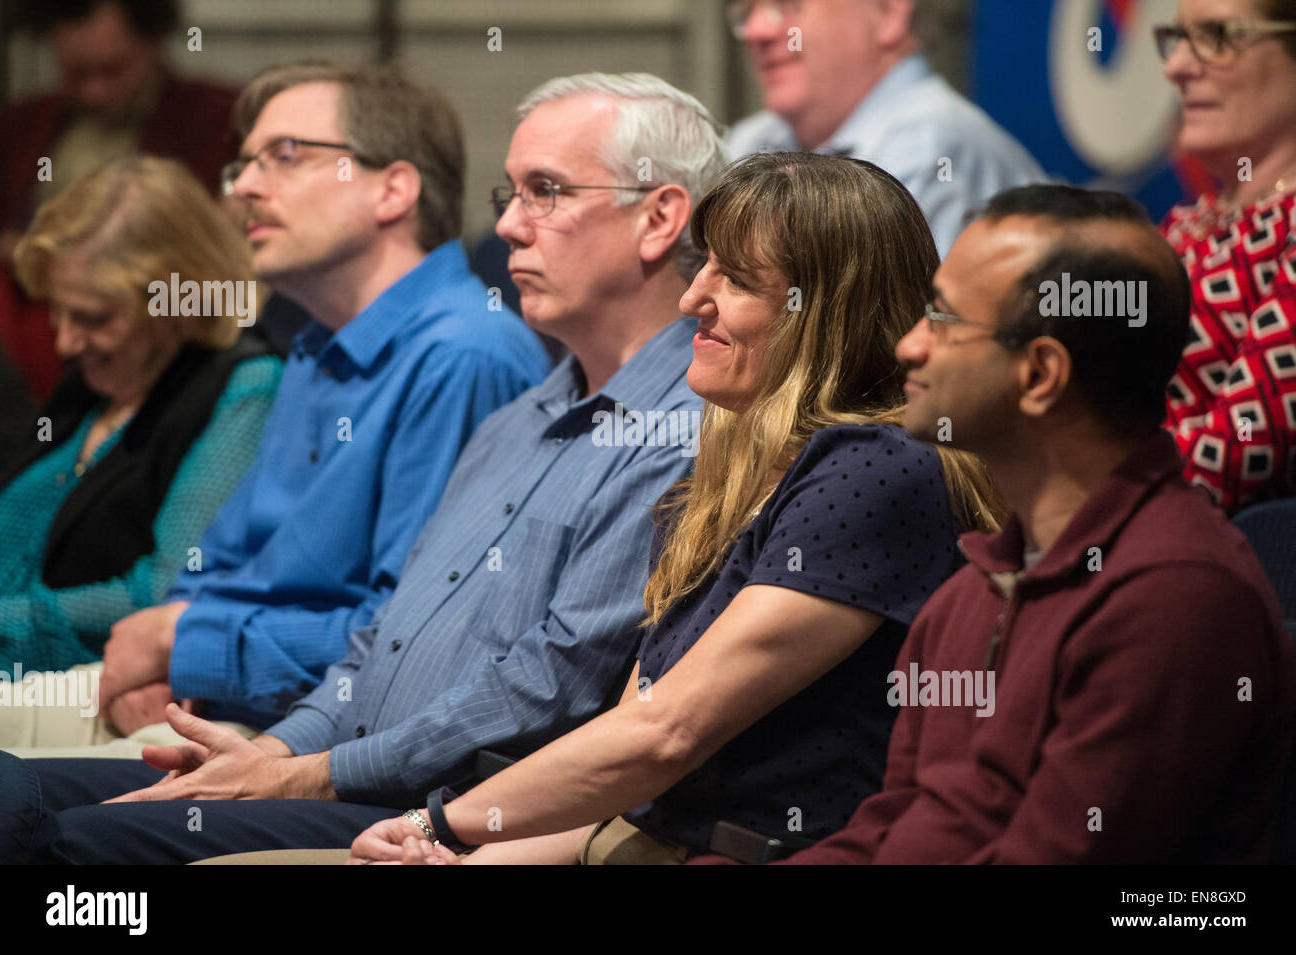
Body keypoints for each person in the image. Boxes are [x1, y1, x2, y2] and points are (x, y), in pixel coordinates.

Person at [0, 70, 724, 864]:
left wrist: (301, 762)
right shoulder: (520, 417)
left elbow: (548, 684)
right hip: (337, 759)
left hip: (450, 813)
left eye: (545, 191)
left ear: (659, 218)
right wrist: (281, 751)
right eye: (507, 195)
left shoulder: (674, 426)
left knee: (48, 841)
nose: (510, 225)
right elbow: (382, 637)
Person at [342, 152, 1005, 867]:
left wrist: (442, 822)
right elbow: (624, 775)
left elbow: (664, 735)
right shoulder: (718, 480)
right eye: (705, 264)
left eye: (739, 280)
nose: (693, 297)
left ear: (826, 314)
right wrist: (461, 859)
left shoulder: (877, 468)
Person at [691, 185, 1294, 864]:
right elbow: (886, 830)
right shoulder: (976, 585)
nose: (909, 344)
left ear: (1040, 374)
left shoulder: (1174, 596)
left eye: (943, 319)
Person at [0, 61, 548, 753]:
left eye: (285, 156)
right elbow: (217, 560)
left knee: (20, 800)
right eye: (245, 163)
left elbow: (414, 635)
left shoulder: (464, 353)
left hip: (317, 737)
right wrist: (173, 643)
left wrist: (186, 643)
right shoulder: (316, 345)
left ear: (392, 189)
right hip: (218, 697)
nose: (244, 187)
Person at [0, 156, 280, 680]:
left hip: (81, 688)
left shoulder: (244, 388)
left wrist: (5, 619)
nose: (64, 341)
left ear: (175, 299)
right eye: (57, 310)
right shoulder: (91, 382)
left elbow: (161, 592)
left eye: (93, 318)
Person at [0, 0, 240, 404]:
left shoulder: (215, 121)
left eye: (113, 70)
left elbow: (215, 262)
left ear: (154, 42)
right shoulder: (20, 127)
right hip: (23, 328)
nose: (95, 89)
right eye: (76, 73)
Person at [724, 0, 1043, 258]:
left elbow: (870, 329)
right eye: (746, 10)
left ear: (889, 14)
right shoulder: (753, 140)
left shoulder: (932, 146)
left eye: (788, 4)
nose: (756, 30)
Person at [1155, 0, 1296, 513]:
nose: (1176, 67)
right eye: (1177, 37)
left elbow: (1234, 452)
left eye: (1216, 35)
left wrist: (1055, 481)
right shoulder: (1183, 225)